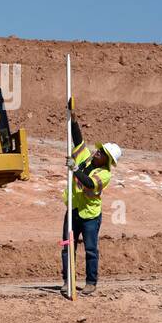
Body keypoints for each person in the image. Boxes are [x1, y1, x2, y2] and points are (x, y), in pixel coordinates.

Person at [63, 117, 121, 295]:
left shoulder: (104, 175)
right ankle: (68, 281)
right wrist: (72, 118)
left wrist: (74, 170)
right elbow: (78, 140)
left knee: (90, 249)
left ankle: (91, 282)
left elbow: (88, 183)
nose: (98, 152)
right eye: (100, 149)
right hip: (73, 210)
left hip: (90, 216)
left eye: (102, 153)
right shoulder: (85, 159)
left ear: (107, 160)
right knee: (67, 246)